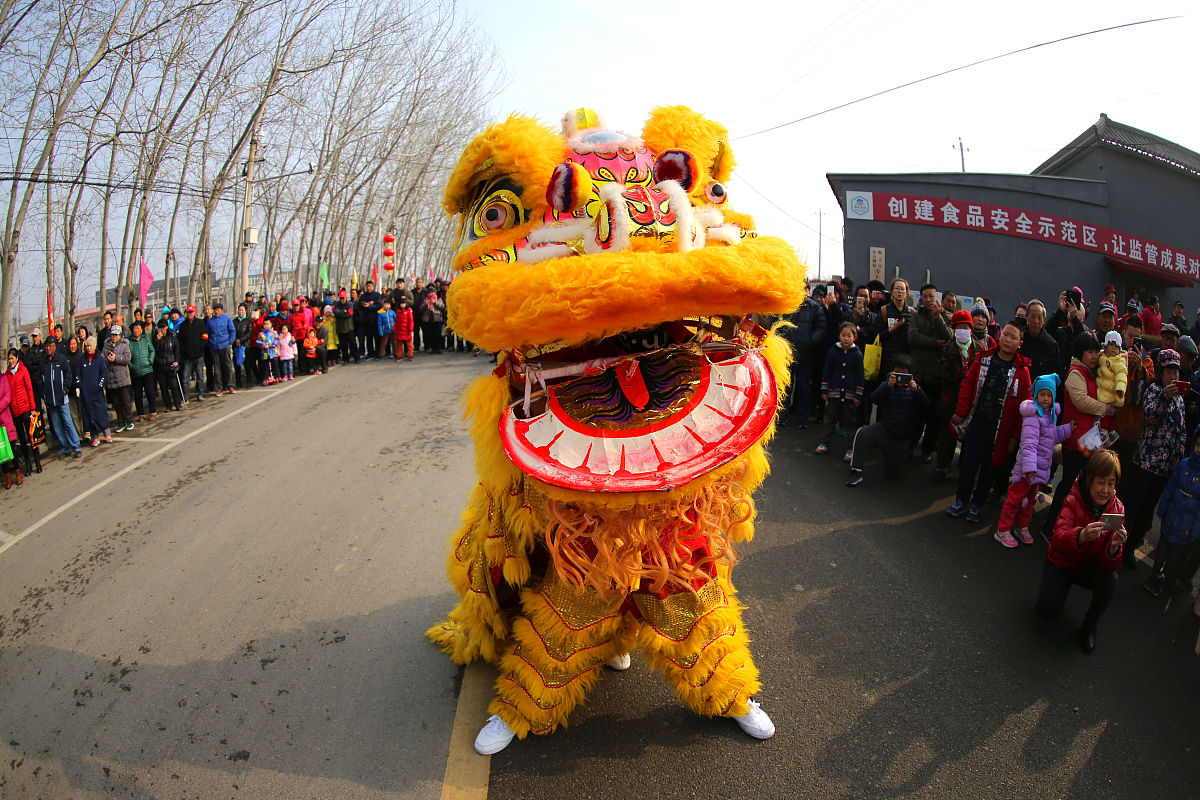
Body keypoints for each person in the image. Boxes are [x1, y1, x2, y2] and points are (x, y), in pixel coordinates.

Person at [1035, 449, 1126, 655]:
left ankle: (1089, 627)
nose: (1105, 490)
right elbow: (1058, 538)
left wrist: (1113, 548)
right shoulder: (1073, 499)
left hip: (1088, 566)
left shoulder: (1117, 509)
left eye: (1111, 484)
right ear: (1089, 480)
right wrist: (1081, 535)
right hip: (1063, 562)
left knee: (1111, 578)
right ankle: (1054, 586)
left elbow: (1109, 565)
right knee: (1046, 611)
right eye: (1101, 482)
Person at [946, 321, 1031, 523]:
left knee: (989, 469)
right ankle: (961, 500)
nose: (1008, 340)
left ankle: (977, 504)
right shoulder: (984, 358)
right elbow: (967, 385)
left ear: (1020, 342)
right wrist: (961, 411)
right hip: (978, 422)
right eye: (1006, 335)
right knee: (968, 463)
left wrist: (1015, 436)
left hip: (1001, 429)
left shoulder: (1022, 371)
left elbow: (1024, 407)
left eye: (1013, 337)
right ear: (1000, 335)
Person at [1040, 332, 1111, 542]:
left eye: (1096, 352)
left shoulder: (1091, 373)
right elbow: (1081, 401)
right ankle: (1050, 527)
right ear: (1081, 353)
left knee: (1080, 486)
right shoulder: (1075, 373)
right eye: (1089, 352)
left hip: (1089, 439)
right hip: (1076, 441)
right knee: (1068, 484)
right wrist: (1104, 409)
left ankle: (1068, 527)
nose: (1094, 356)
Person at [1121, 349, 1188, 569]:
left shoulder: (1180, 399)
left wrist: (1178, 461)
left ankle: (1129, 548)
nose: (1172, 375)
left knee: (1147, 516)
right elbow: (1150, 417)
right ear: (1161, 371)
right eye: (1169, 370)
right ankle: (1116, 548)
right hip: (1144, 464)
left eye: (1175, 370)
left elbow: (1181, 431)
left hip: (1164, 470)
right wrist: (1165, 398)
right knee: (1132, 508)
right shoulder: (1155, 391)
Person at [995, 375, 1074, 548]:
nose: (1045, 399)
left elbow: (1052, 437)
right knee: (1015, 499)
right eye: (1042, 394)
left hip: (1038, 469)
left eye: (1049, 395)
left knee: (1029, 501)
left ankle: (1022, 527)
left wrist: (1068, 429)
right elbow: (1029, 444)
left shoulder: (1049, 415)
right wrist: (1029, 468)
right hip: (1027, 469)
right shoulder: (1033, 416)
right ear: (1036, 396)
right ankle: (1002, 530)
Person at [845, 354, 927, 487]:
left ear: (910, 375)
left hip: (902, 436)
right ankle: (856, 471)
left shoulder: (914, 389)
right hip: (885, 429)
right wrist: (888, 386)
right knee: (862, 433)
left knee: (893, 475)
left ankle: (892, 459)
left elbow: (926, 406)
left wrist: (917, 390)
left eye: (904, 374)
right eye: (897, 373)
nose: (900, 377)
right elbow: (874, 398)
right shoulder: (887, 385)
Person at [1145, 425, 1200, 596]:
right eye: (1199, 445)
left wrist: (1195, 531)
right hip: (1170, 519)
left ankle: (1164, 579)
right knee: (1161, 551)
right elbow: (1170, 489)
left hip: (1185, 528)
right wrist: (1162, 510)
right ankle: (1154, 577)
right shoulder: (1184, 464)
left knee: (1174, 558)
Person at [908, 283, 951, 462]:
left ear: (936, 297)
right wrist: (934, 343)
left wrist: (938, 318)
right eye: (924, 296)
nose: (928, 300)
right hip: (918, 373)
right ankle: (911, 446)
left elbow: (949, 338)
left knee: (933, 415)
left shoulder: (945, 317)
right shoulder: (916, 316)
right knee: (915, 414)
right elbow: (912, 337)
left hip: (935, 374)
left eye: (931, 296)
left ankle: (927, 449)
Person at [779, 286, 829, 428]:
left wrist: (813, 340)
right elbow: (777, 324)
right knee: (785, 386)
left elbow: (822, 326)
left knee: (804, 387)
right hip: (787, 352)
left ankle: (803, 419)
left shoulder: (813, 306)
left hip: (806, 352)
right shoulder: (787, 303)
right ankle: (782, 417)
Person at [816, 322, 863, 459]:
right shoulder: (833, 352)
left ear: (854, 337)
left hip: (850, 394)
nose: (846, 338)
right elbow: (827, 371)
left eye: (849, 335)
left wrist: (858, 395)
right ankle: (825, 443)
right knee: (830, 419)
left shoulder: (857, 355)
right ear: (839, 336)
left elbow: (860, 376)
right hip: (834, 393)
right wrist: (825, 389)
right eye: (843, 335)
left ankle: (851, 448)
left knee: (849, 422)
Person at [39, 337, 81, 458]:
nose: (48, 348)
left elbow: (68, 375)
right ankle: (64, 448)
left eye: (50, 346)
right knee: (57, 426)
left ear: (54, 347)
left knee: (68, 422)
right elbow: (40, 381)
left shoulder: (61, 359)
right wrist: (44, 394)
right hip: (50, 400)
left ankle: (76, 446)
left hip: (62, 398)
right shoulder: (43, 362)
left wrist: (65, 389)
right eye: (46, 346)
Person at [6, 349, 41, 474]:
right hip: (15, 412)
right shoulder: (7, 375)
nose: (10, 361)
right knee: (21, 438)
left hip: (26, 409)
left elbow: (29, 389)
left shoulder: (23, 370)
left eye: (12, 358)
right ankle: (28, 466)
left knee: (32, 436)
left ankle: (37, 462)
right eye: (9, 359)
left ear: (17, 358)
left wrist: (32, 408)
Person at [875, 277, 911, 386]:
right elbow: (876, 336)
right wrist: (891, 330)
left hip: (905, 359)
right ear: (891, 291)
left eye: (902, 289)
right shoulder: (884, 311)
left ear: (907, 293)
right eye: (897, 288)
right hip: (887, 358)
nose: (900, 291)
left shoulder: (912, 313)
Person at [77, 337, 111, 446]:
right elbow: (77, 375)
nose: (88, 348)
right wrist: (80, 386)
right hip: (86, 394)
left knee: (100, 413)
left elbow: (104, 373)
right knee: (89, 415)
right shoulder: (81, 360)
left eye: (90, 346)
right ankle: (95, 437)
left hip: (97, 392)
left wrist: (99, 385)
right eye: (87, 346)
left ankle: (107, 434)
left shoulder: (99, 358)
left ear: (95, 346)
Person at [101, 325, 134, 432]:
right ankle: (121, 422)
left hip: (123, 378)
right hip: (111, 379)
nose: (114, 337)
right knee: (117, 403)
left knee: (125, 401)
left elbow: (127, 358)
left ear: (120, 335)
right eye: (112, 335)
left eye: (116, 335)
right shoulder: (106, 346)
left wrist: (116, 358)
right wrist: (108, 359)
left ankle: (129, 421)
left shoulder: (124, 345)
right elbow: (102, 359)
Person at [1095, 331, 1127, 436]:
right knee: (1099, 420)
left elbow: (1122, 375)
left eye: (1116, 346)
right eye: (1111, 345)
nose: (1113, 348)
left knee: (1107, 421)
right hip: (1100, 391)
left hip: (1111, 394)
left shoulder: (1119, 361)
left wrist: (1120, 389)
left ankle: (1107, 438)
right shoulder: (1101, 356)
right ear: (1105, 346)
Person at [127, 320, 157, 420]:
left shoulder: (146, 339)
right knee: (138, 394)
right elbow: (127, 355)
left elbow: (152, 350)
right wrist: (131, 365)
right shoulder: (129, 341)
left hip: (147, 370)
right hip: (135, 372)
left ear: (141, 330)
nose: (136, 331)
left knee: (149, 391)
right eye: (135, 329)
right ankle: (141, 414)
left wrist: (150, 361)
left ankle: (152, 411)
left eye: (138, 329)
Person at [177, 304, 207, 402]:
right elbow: (180, 341)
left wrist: (201, 347)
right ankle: (185, 397)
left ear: (194, 313)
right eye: (188, 312)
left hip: (198, 355)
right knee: (185, 379)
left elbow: (205, 336)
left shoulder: (200, 323)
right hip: (187, 357)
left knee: (200, 377)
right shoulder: (182, 326)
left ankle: (200, 394)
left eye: (191, 312)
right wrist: (184, 351)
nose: (189, 314)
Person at [206, 302, 236, 393]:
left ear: (221, 310)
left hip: (224, 345)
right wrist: (209, 343)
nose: (216, 311)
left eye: (218, 309)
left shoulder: (226, 319)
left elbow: (232, 331)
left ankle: (230, 385)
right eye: (215, 310)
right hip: (214, 347)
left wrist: (230, 341)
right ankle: (219, 388)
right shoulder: (210, 321)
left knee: (228, 366)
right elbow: (207, 333)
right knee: (217, 369)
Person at [153, 320, 182, 411]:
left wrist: (176, 361)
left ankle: (177, 403)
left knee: (173, 385)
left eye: (163, 327)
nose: (162, 329)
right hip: (160, 365)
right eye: (160, 327)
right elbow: (155, 350)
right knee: (163, 387)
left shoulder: (172, 336)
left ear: (167, 327)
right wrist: (158, 340)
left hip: (170, 363)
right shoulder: (156, 337)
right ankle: (168, 405)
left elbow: (177, 349)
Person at [0, 359, 21, 487]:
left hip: (5, 418)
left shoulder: (3, 378)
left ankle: (17, 472)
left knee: (12, 447)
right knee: (1, 451)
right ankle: (7, 476)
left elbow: (7, 396)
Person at [357, 280, 382, 358]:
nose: (368, 288)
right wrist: (364, 305)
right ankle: (370, 353)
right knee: (369, 338)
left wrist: (371, 305)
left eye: (370, 286)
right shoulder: (363, 296)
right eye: (367, 286)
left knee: (377, 338)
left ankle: (378, 353)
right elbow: (359, 305)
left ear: (373, 286)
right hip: (366, 320)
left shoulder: (377, 295)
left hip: (375, 319)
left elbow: (379, 305)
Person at [419, 288, 446, 355]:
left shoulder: (438, 299)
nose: (431, 294)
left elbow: (442, 306)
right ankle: (433, 349)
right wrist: (426, 304)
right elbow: (421, 308)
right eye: (429, 292)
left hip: (437, 319)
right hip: (428, 320)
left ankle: (438, 348)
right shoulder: (426, 300)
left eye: (432, 292)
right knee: (431, 335)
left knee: (438, 335)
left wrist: (435, 302)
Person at [233, 303, 254, 388]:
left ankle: (249, 381)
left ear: (245, 311)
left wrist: (241, 340)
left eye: (242, 310)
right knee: (237, 364)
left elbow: (249, 333)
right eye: (239, 310)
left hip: (246, 345)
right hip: (236, 346)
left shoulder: (248, 321)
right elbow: (232, 332)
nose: (240, 312)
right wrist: (235, 340)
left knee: (247, 364)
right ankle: (238, 382)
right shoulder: (234, 321)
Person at [257, 318, 280, 385]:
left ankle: (277, 376)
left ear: (271, 324)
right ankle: (266, 378)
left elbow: (277, 340)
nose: (266, 325)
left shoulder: (274, 333)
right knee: (265, 366)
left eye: (267, 324)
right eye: (265, 324)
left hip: (273, 352)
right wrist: (264, 345)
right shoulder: (261, 334)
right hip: (265, 353)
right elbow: (258, 342)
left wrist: (273, 344)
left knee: (275, 365)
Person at [395, 296, 414, 361]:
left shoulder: (409, 310)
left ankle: (411, 355)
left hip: (407, 330)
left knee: (409, 344)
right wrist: (395, 328)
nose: (402, 305)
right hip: (399, 330)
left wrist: (411, 329)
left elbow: (411, 320)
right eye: (401, 303)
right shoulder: (398, 311)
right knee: (399, 344)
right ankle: (399, 355)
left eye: (403, 303)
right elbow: (396, 321)